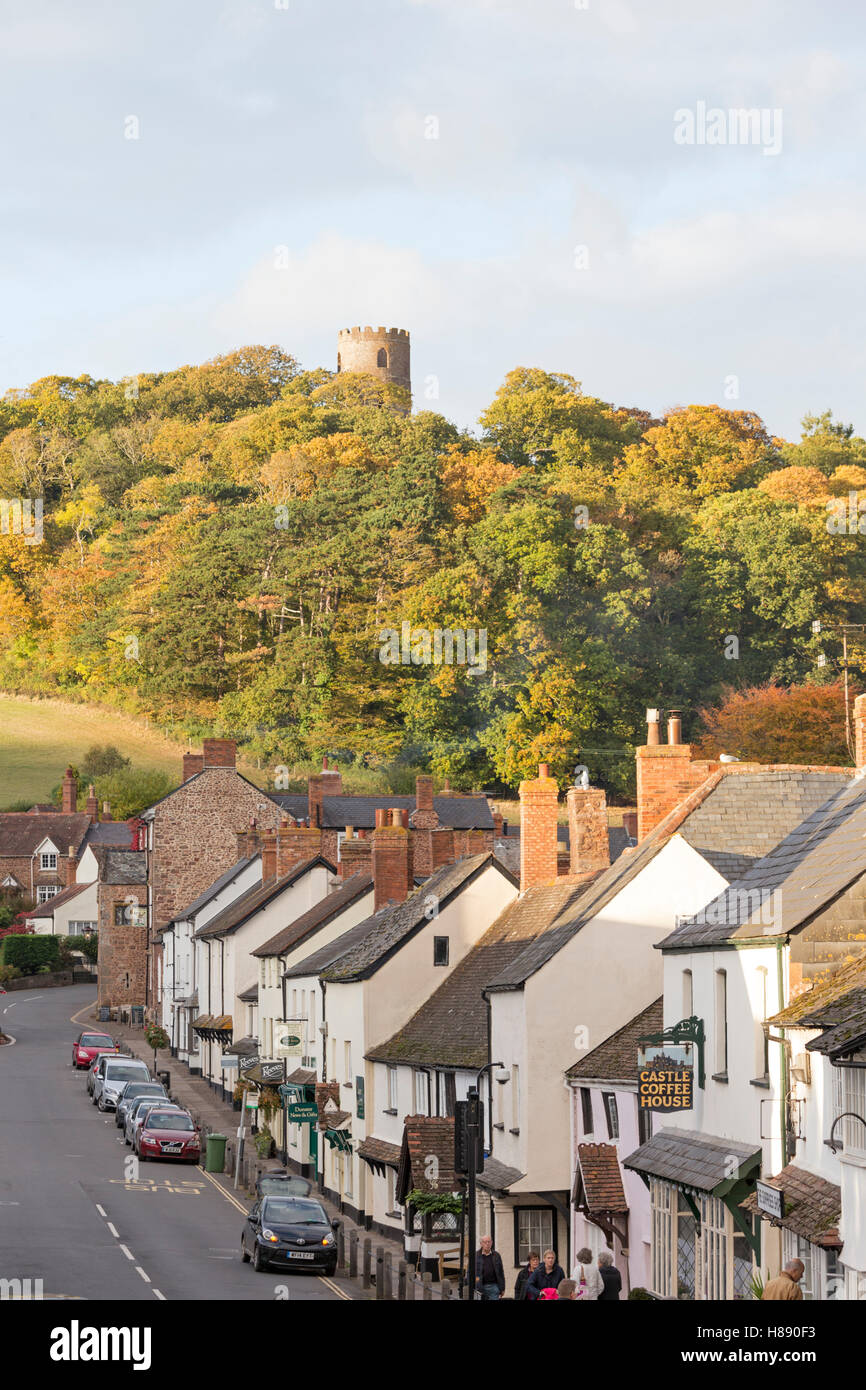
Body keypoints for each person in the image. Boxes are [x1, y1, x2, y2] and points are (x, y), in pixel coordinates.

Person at [474, 1234, 506, 1301]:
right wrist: (473, 1286)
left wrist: (502, 1288)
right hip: (480, 1287)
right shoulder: (475, 1256)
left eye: (489, 1242)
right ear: (481, 1244)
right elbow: (469, 1272)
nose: (487, 1244)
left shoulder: (496, 1255)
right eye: (485, 1242)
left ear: (491, 1243)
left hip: (493, 1287)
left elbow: (501, 1272)